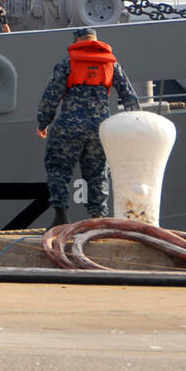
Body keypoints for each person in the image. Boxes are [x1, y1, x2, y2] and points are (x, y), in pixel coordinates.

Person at [36, 29, 141, 226]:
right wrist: (134, 123)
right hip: (100, 129)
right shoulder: (111, 63)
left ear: (77, 40)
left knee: (58, 168)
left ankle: (61, 217)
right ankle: (98, 220)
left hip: (69, 127)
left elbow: (51, 96)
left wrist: (43, 122)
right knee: (98, 173)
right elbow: (128, 95)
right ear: (95, 41)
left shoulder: (68, 63)